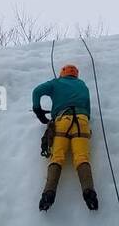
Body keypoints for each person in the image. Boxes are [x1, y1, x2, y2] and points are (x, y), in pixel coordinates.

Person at [32, 64, 99, 212]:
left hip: (62, 121)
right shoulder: (83, 86)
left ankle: (48, 194)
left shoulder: (56, 82)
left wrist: (38, 110)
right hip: (81, 121)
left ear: (62, 73)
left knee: (57, 157)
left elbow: (37, 91)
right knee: (82, 157)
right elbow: (87, 109)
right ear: (76, 75)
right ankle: (89, 193)